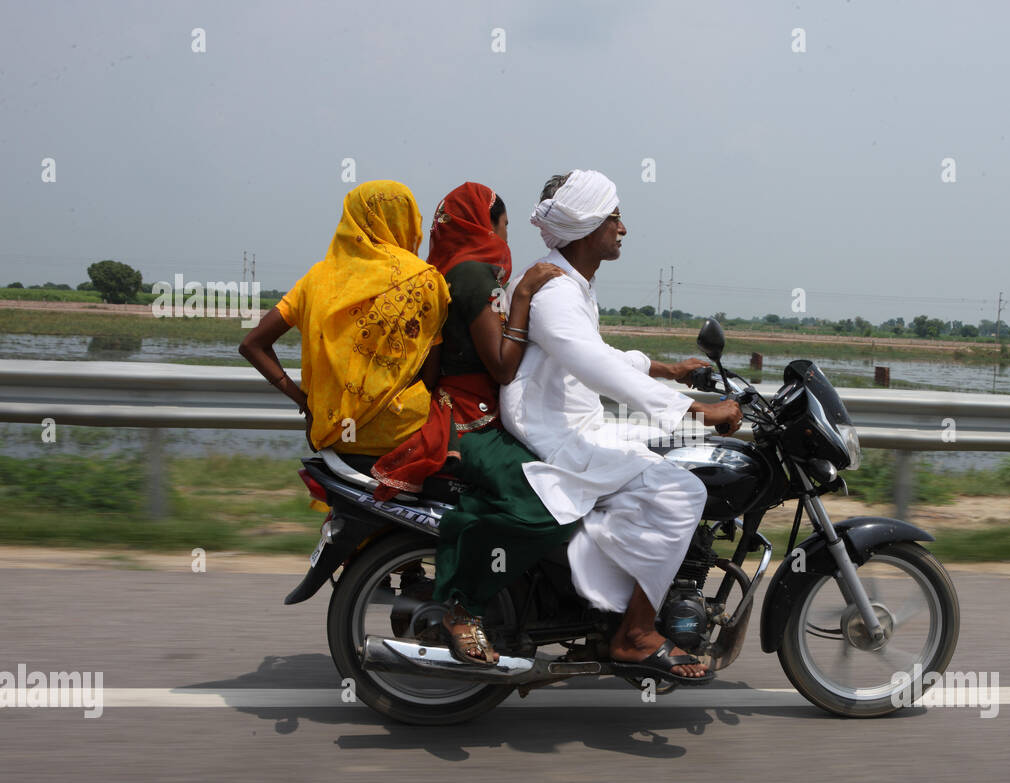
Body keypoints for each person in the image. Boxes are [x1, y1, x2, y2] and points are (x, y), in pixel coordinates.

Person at [500, 170, 742, 684]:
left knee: (673, 456)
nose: (623, 228)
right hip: (554, 434)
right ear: (588, 225)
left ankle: (623, 595)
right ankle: (634, 633)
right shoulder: (555, 291)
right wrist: (697, 412)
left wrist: (668, 370)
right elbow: (596, 368)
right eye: (614, 217)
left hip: (575, 422)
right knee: (683, 492)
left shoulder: (570, 283)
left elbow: (601, 354)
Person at [369, 183, 574, 665]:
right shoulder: (476, 274)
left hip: (465, 411)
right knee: (553, 503)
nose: (507, 237)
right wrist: (524, 294)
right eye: (504, 226)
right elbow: (501, 366)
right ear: (486, 224)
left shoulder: (447, 269)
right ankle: (464, 606)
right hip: (470, 420)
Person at [239, 180, 449, 456]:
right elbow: (430, 376)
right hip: (401, 436)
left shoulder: (317, 278)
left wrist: (305, 403)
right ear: (408, 220)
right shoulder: (425, 279)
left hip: (334, 436)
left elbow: (252, 345)